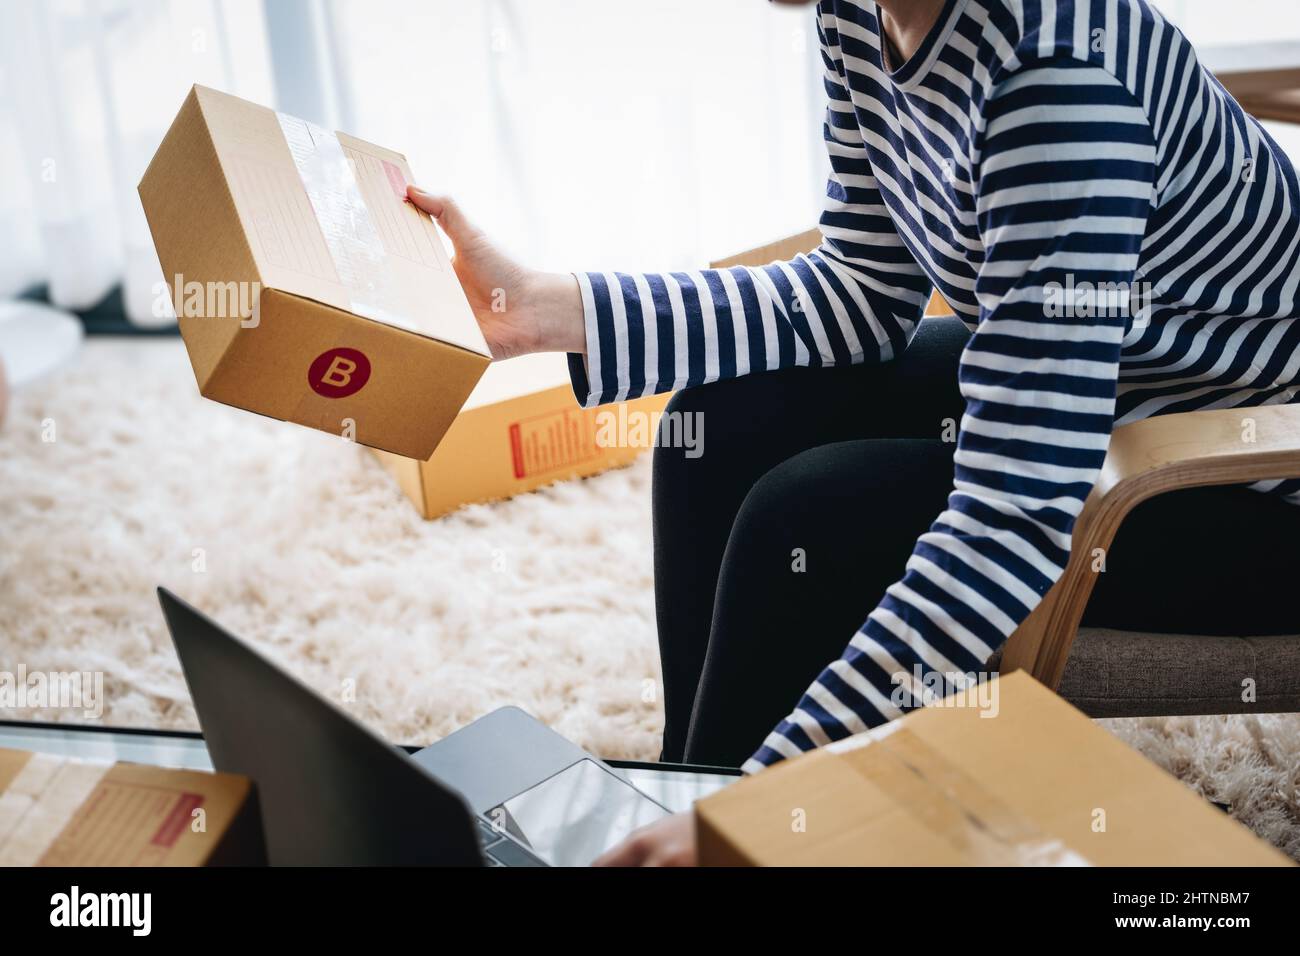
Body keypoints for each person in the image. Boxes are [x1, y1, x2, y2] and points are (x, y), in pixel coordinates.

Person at [408, 0, 1300, 866]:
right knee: (718, 424)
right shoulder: (860, 13)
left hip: (1250, 483)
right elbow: (861, 295)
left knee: (810, 521)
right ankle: (691, 794)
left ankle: (732, 826)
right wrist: (535, 310)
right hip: (1102, 385)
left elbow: (1012, 520)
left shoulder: (1056, 77)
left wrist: (774, 792)